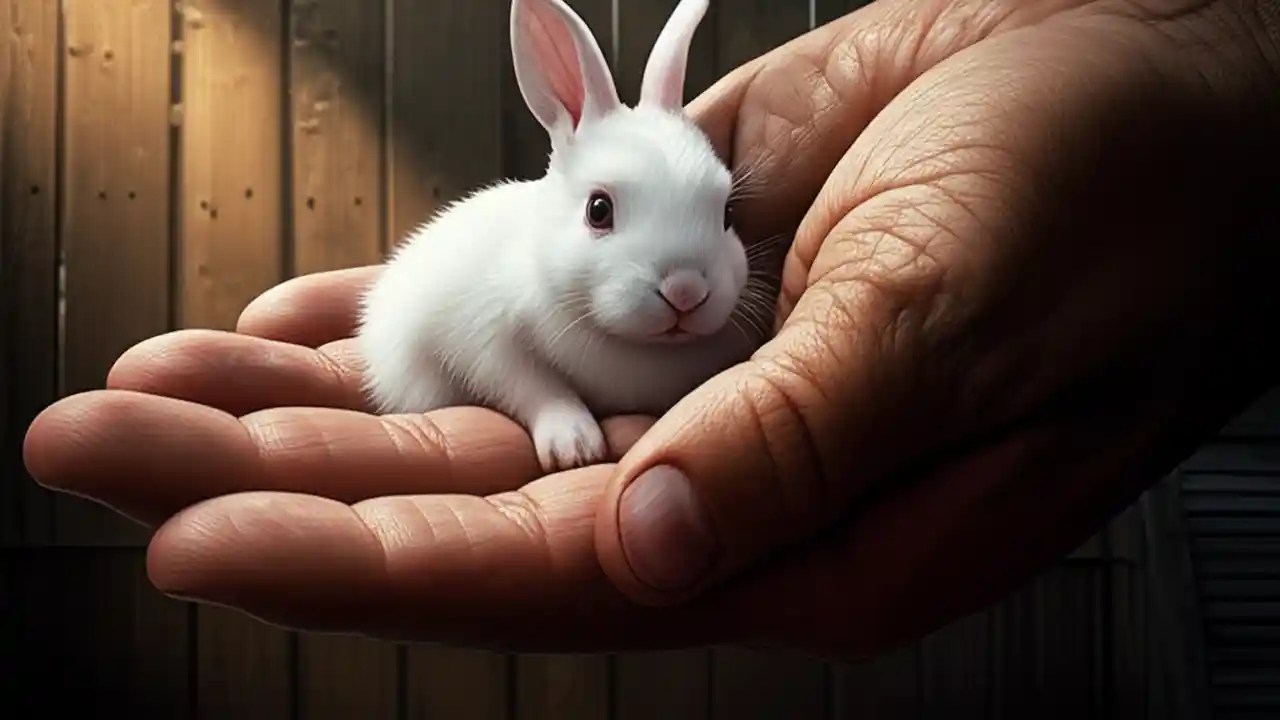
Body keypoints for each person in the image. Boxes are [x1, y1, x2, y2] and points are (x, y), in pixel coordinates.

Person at [23, 0, 1280, 658]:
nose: (688, 283)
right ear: (568, 166)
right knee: (428, 342)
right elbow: (452, 333)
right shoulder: (511, 264)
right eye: (613, 218)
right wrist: (550, 404)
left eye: (716, 228)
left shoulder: (716, 282)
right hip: (453, 363)